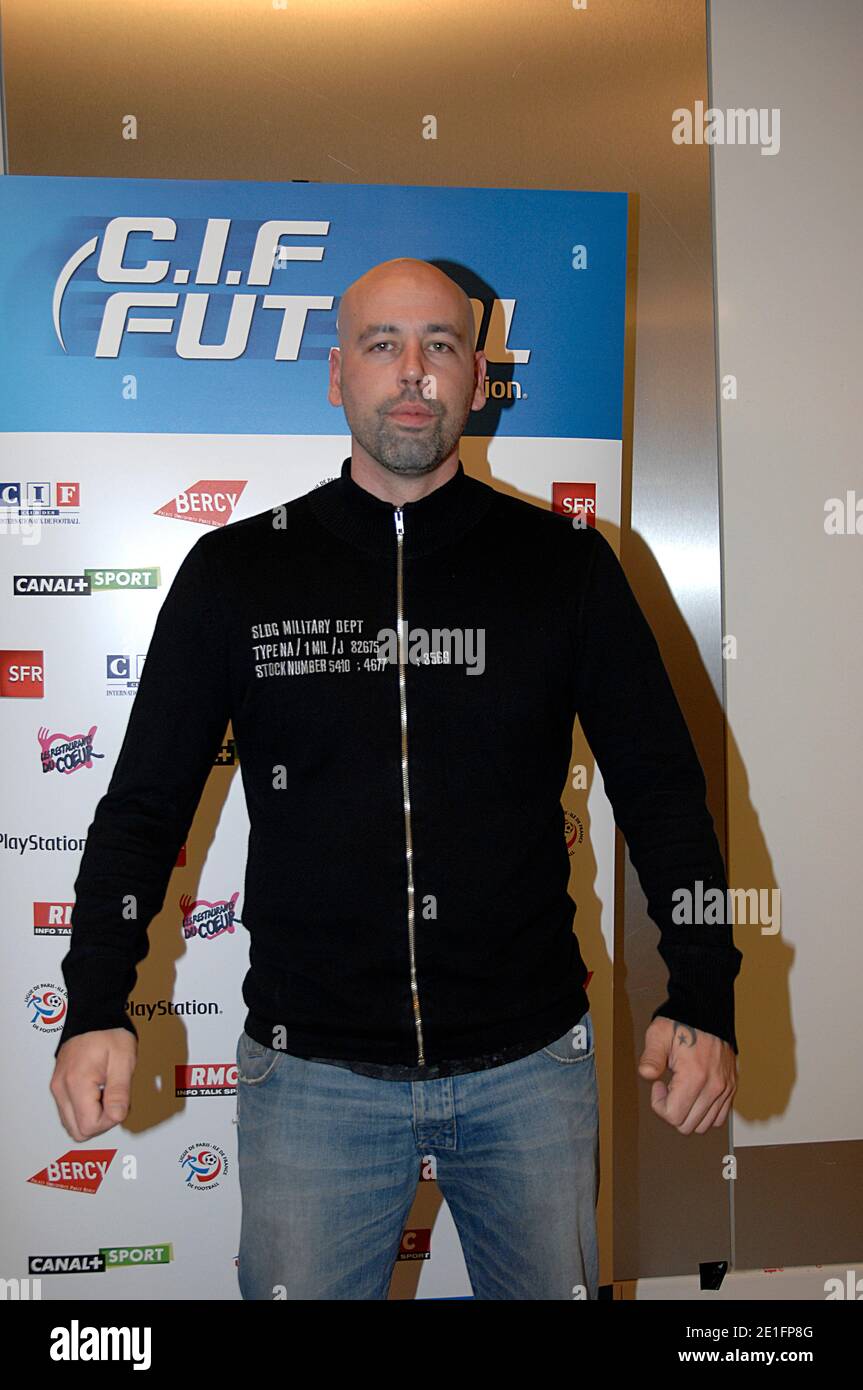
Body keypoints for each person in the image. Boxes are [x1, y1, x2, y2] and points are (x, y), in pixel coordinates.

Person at [50, 257, 742, 1300]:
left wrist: (704, 992)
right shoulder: (238, 573)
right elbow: (143, 807)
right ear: (336, 375)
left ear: (475, 376)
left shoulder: (564, 566)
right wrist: (95, 997)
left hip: (529, 1072)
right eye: (383, 345)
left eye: (440, 345)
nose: (412, 371)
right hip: (311, 1081)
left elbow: (660, 792)